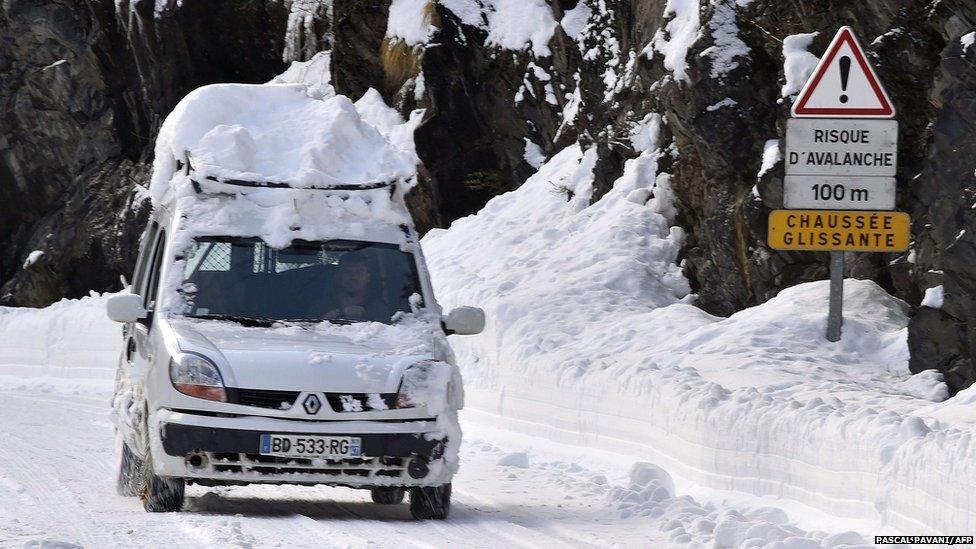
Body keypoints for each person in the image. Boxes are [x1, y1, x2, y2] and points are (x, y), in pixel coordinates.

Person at [324, 252, 387, 322]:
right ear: (338, 276)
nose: (353, 276)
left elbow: (386, 330)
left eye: (359, 272)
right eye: (347, 271)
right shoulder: (323, 302)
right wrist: (330, 316)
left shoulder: (378, 307)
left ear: (368, 277)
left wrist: (366, 315)